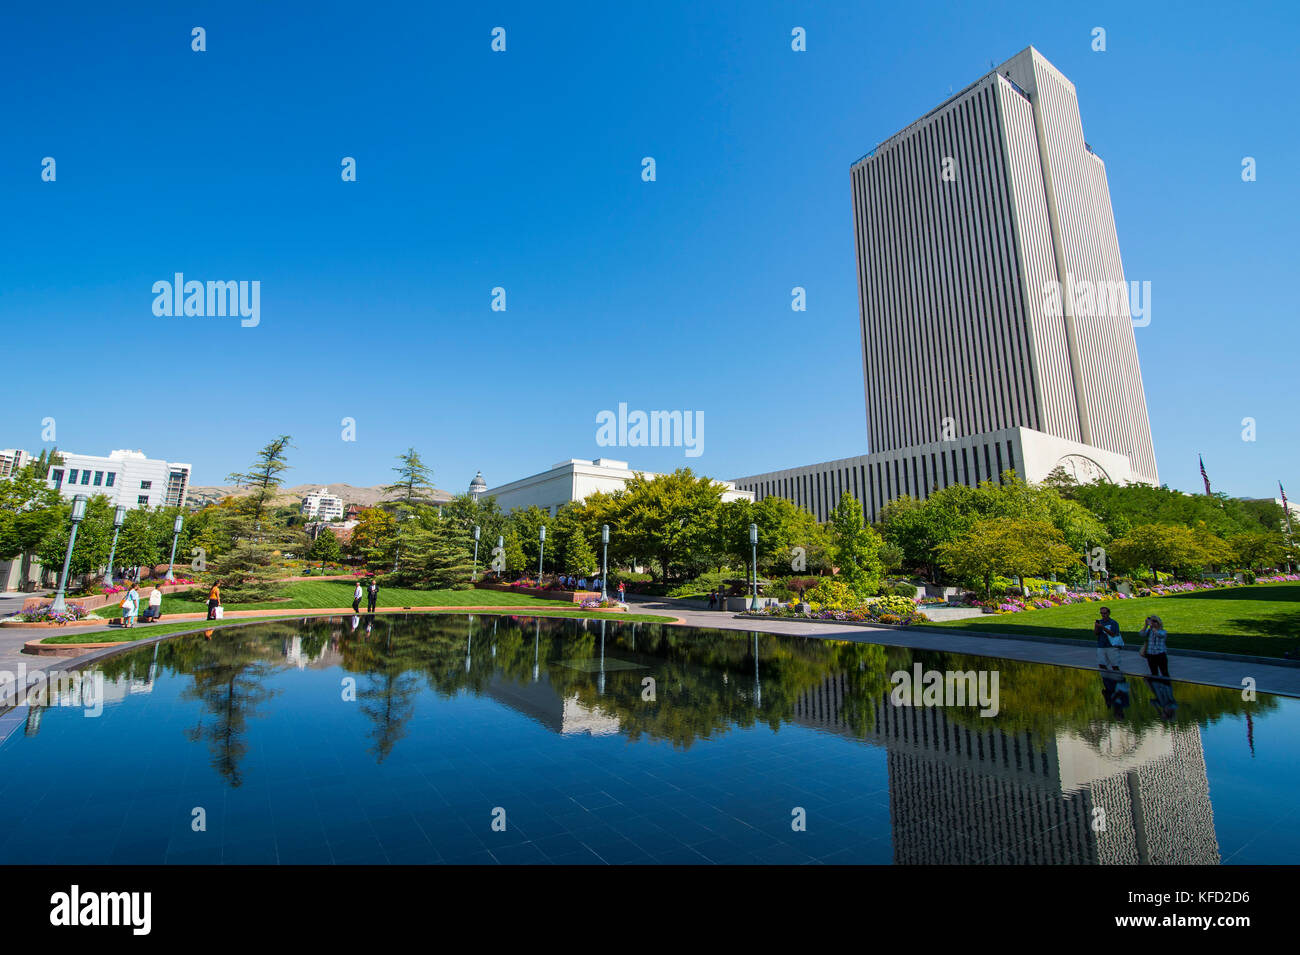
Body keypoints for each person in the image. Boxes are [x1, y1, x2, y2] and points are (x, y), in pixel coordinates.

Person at [1139, 614, 1170, 679]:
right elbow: (1141, 634)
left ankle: (1167, 687)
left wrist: (1151, 626)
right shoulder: (1149, 631)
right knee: (1154, 673)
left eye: (1154, 621)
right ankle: (1156, 687)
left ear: (1159, 623)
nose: (1153, 623)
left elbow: (1159, 634)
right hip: (1151, 655)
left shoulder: (1163, 631)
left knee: (1165, 673)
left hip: (1161, 655)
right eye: (1152, 621)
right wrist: (1146, 625)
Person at [1093, 606, 1122, 671]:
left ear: (1108, 613)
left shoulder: (1113, 623)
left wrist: (1102, 627)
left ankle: (1117, 678)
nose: (1103, 615)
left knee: (1114, 665)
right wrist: (1096, 627)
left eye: (1104, 613)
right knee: (1101, 664)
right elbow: (1095, 633)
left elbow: (1113, 634)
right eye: (1101, 613)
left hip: (1111, 646)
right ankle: (1107, 677)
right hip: (1101, 645)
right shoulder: (1100, 622)